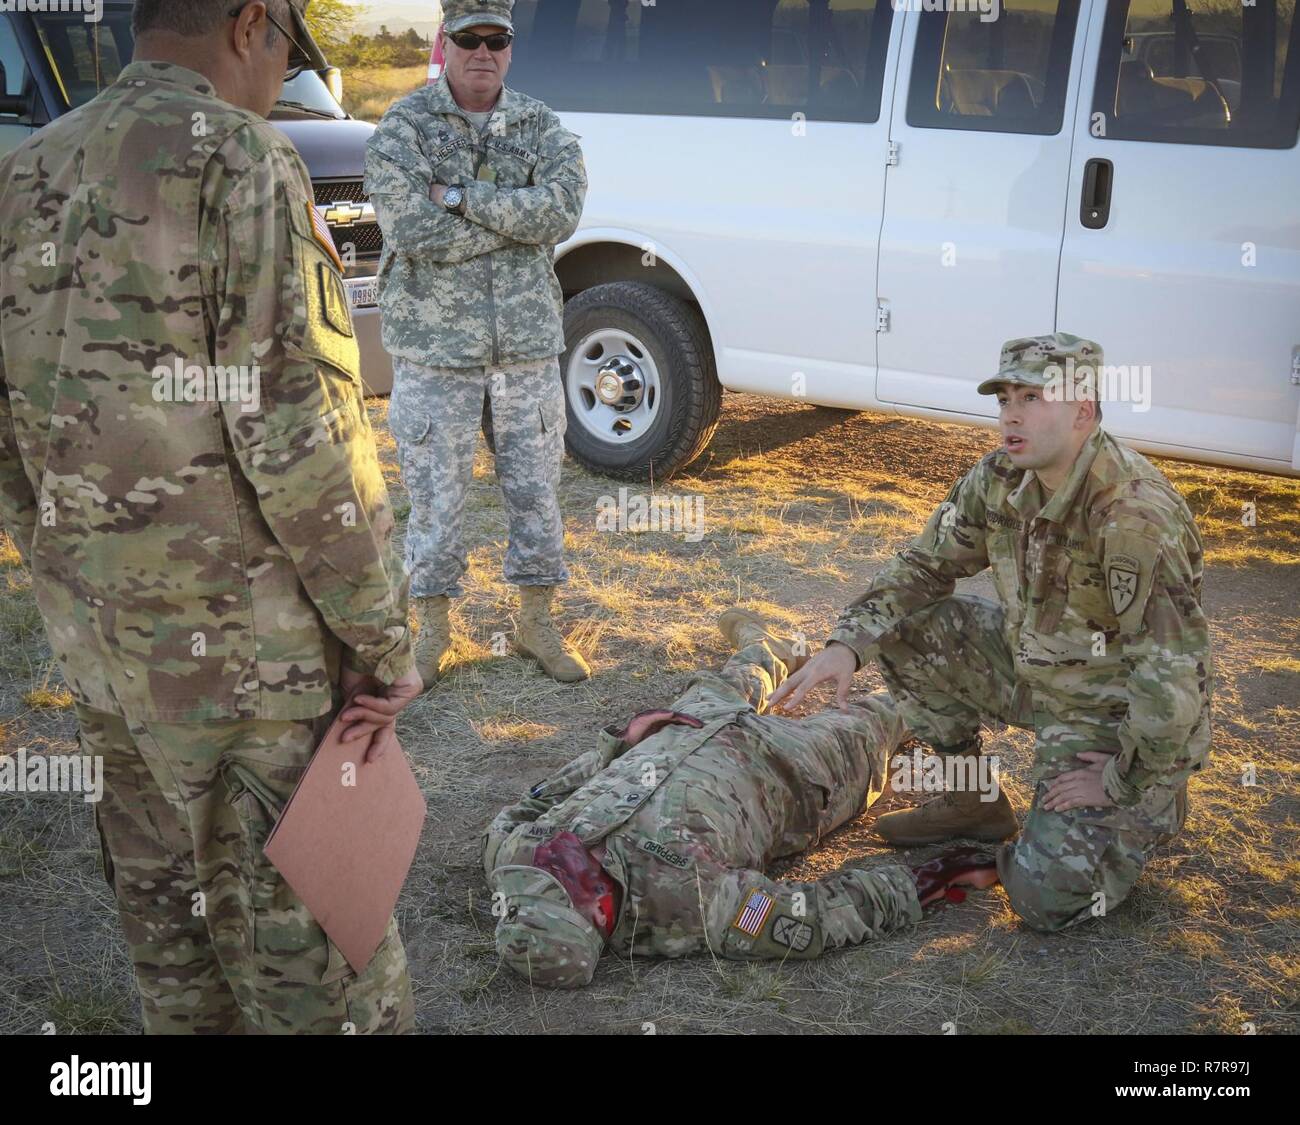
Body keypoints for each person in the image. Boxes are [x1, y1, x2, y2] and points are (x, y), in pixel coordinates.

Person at [0, 0, 421, 1033]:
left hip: (106, 657)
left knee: (179, 973)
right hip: (252, 676)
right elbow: (299, 439)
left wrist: (66, 578)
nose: (280, 78)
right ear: (247, 25)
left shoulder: (25, 171)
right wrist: (381, 639)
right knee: (326, 984)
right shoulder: (240, 159)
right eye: (286, 49)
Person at [771, 333, 1212, 932]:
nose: (1010, 413)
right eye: (1005, 396)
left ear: (1083, 410)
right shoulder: (1001, 477)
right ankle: (972, 798)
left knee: (1045, 900)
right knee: (906, 630)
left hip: (1110, 718)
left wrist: (1121, 779)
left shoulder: (1133, 516)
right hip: (1033, 669)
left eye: (1032, 397)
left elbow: (1173, 678)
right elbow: (925, 566)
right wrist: (846, 644)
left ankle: (1153, 805)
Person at [483, 610, 999, 987]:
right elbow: (815, 917)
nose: (559, 857)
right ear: (596, 911)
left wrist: (618, 743)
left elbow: (533, 802)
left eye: (545, 870)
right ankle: (975, 679)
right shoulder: (689, 908)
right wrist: (929, 879)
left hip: (690, 726)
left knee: (738, 673)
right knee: (890, 714)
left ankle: (766, 644)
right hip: (794, 771)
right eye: (565, 880)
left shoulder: (516, 851)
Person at [365, 0, 591, 686]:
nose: (483, 52)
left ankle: (535, 622)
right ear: (448, 42)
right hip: (436, 352)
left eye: (498, 40)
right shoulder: (404, 125)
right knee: (435, 498)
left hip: (525, 347)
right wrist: (513, 223)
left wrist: (459, 198)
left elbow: (561, 209)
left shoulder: (540, 124)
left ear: (511, 49)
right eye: (470, 39)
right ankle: (432, 630)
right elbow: (409, 227)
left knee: (535, 491)